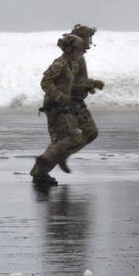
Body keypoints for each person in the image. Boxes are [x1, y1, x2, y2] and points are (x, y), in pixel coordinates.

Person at [30, 33, 86, 187]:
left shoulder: (71, 64)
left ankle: (41, 170)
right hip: (54, 107)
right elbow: (45, 82)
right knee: (67, 139)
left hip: (62, 107)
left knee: (68, 138)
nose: (81, 54)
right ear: (70, 50)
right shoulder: (59, 64)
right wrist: (60, 97)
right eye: (80, 51)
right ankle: (40, 170)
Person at [57, 22, 104, 173]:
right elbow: (70, 83)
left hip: (78, 102)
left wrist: (89, 86)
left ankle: (63, 155)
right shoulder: (71, 58)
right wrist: (92, 83)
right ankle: (47, 165)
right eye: (88, 39)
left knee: (91, 132)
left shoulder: (80, 58)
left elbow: (80, 81)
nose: (90, 43)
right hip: (68, 104)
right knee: (68, 137)